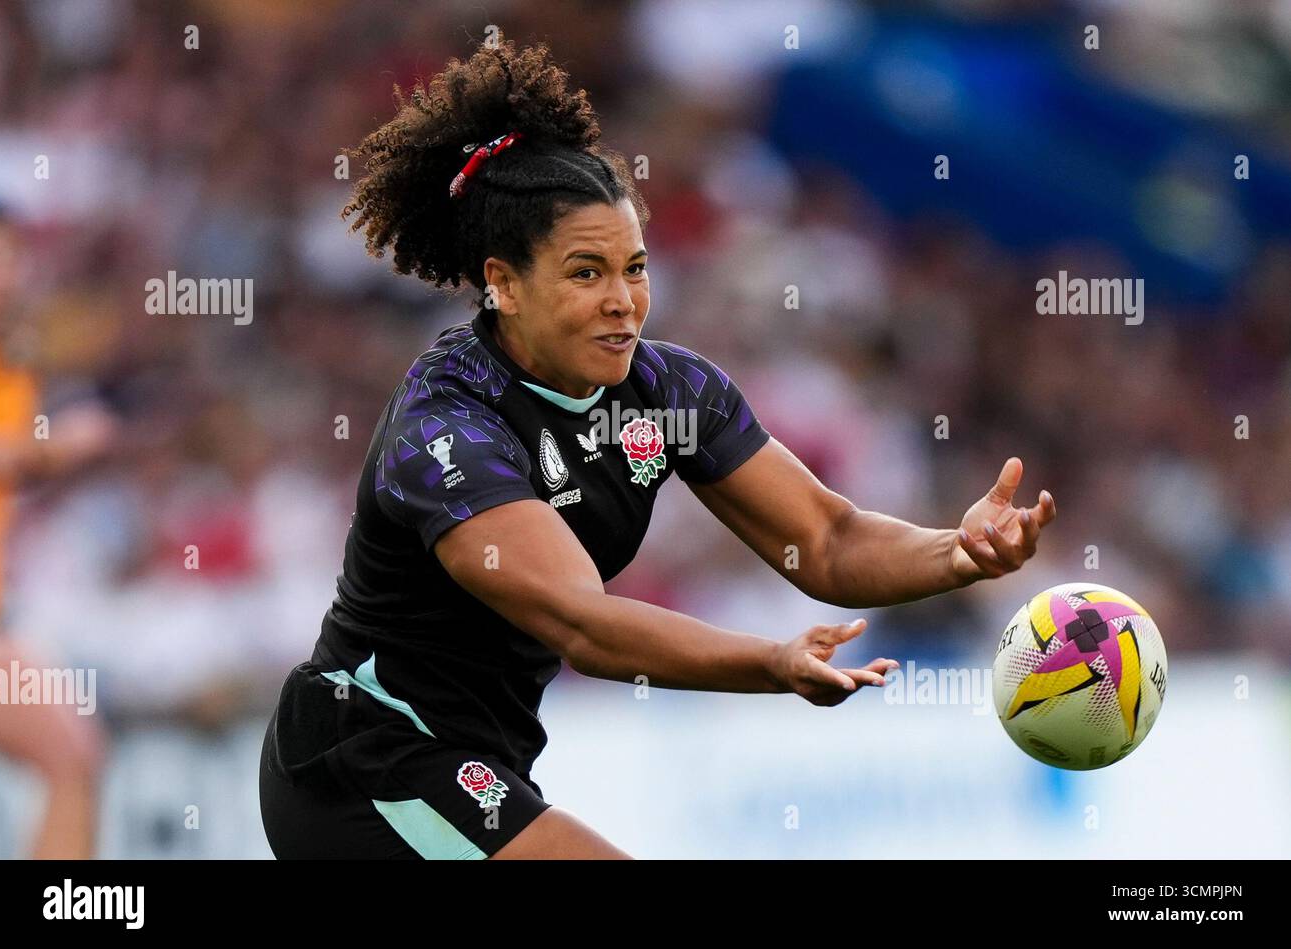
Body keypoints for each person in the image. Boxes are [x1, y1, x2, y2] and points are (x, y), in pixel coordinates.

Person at [258, 42, 1056, 860]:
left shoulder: (670, 391)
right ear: (502, 282)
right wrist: (772, 662)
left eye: (634, 267)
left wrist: (957, 553)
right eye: (585, 272)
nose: (622, 301)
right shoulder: (446, 426)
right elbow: (585, 626)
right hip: (364, 758)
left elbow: (826, 539)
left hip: (484, 764)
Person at [0, 201, 113, 859]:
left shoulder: (17, 365)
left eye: (11, 258)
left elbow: (79, 428)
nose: (4, 275)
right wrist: (50, 448)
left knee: (72, 757)